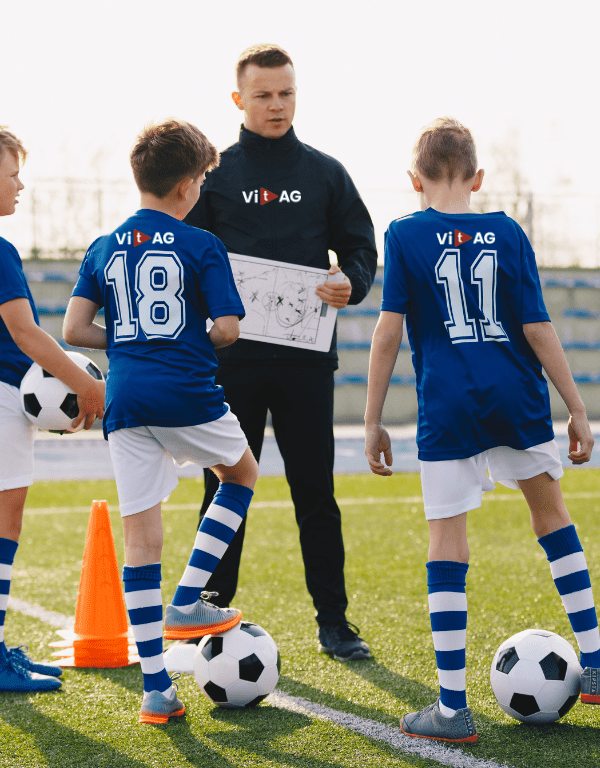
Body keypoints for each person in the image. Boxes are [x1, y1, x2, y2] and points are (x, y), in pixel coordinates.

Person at [365, 118, 600, 744]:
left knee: (447, 542)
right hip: (516, 395)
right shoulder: (506, 231)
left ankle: (453, 708)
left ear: (414, 181)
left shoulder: (403, 234)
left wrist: (372, 420)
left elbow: (389, 332)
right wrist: (577, 408)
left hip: (448, 405)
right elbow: (537, 327)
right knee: (552, 518)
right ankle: (596, 665)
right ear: (478, 178)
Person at [183, 43, 378, 661]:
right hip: (232, 363)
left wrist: (351, 280)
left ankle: (335, 623)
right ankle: (205, 612)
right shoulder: (215, 175)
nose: (276, 104)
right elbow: (186, 250)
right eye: (263, 94)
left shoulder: (325, 173)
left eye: (286, 93)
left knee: (315, 493)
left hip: (304, 363)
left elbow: (360, 249)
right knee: (223, 489)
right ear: (239, 99)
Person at [64, 119, 260, 724]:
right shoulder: (201, 245)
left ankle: (155, 691)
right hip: (185, 391)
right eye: (202, 177)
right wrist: (186, 336)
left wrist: (128, 345)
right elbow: (227, 328)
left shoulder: (103, 246)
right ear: (186, 186)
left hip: (124, 398)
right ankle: (185, 600)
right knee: (241, 474)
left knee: (141, 539)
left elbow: (73, 331)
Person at [0, 122, 106, 694]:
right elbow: (27, 334)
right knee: (1, 532)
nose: (20, 186)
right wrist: (87, 387)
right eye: (12, 175)